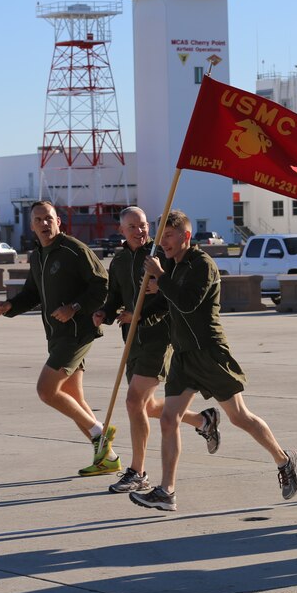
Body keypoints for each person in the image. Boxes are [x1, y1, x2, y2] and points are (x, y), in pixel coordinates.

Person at [128, 211, 297, 512]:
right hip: (182, 355)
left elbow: (187, 302)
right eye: (160, 236)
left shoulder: (201, 265)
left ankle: (284, 460)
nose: (162, 242)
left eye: (168, 236)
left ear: (185, 236)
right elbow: (166, 303)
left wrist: (162, 278)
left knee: (239, 417)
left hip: (208, 353)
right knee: (169, 420)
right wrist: (141, 310)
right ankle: (166, 491)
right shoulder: (171, 265)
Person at [93, 206, 221, 493]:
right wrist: (105, 313)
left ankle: (138, 472)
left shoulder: (161, 257)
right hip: (132, 339)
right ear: (122, 231)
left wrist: (143, 311)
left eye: (143, 226)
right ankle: (204, 420)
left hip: (159, 338)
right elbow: (114, 296)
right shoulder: (120, 260)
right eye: (132, 228)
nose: (140, 232)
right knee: (146, 406)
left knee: (132, 402)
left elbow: (170, 300)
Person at [0, 201, 116, 475]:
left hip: (77, 332)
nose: (44, 224)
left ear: (58, 220)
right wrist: (10, 306)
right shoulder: (38, 255)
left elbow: (102, 285)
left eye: (48, 218)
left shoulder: (73, 249)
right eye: (38, 220)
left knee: (46, 390)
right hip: (56, 334)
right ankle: (107, 458)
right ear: (32, 225)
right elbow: (32, 293)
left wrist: (74, 307)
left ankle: (100, 433)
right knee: (73, 398)